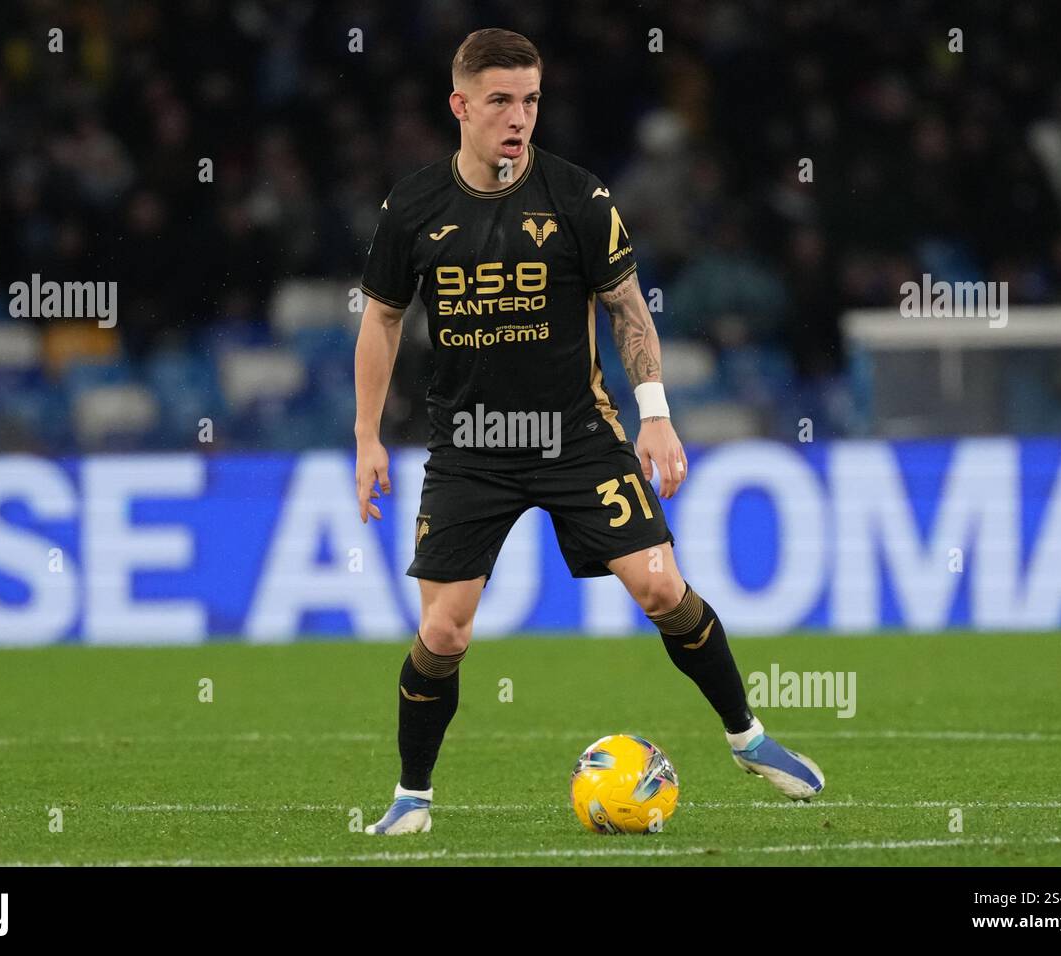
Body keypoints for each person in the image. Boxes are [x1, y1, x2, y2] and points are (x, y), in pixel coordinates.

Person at [353, 29, 824, 835]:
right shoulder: (414, 207)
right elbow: (383, 320)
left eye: (530, 100)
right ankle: (412, 797)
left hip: (576, 436)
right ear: (460, 105)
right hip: (469, 447)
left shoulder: (578, 197)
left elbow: (628, 308)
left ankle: (747, 736)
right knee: (443, 630)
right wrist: (365, 436)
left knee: (661, 586)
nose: (518, 117)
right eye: (500, 100)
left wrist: (657, 413)